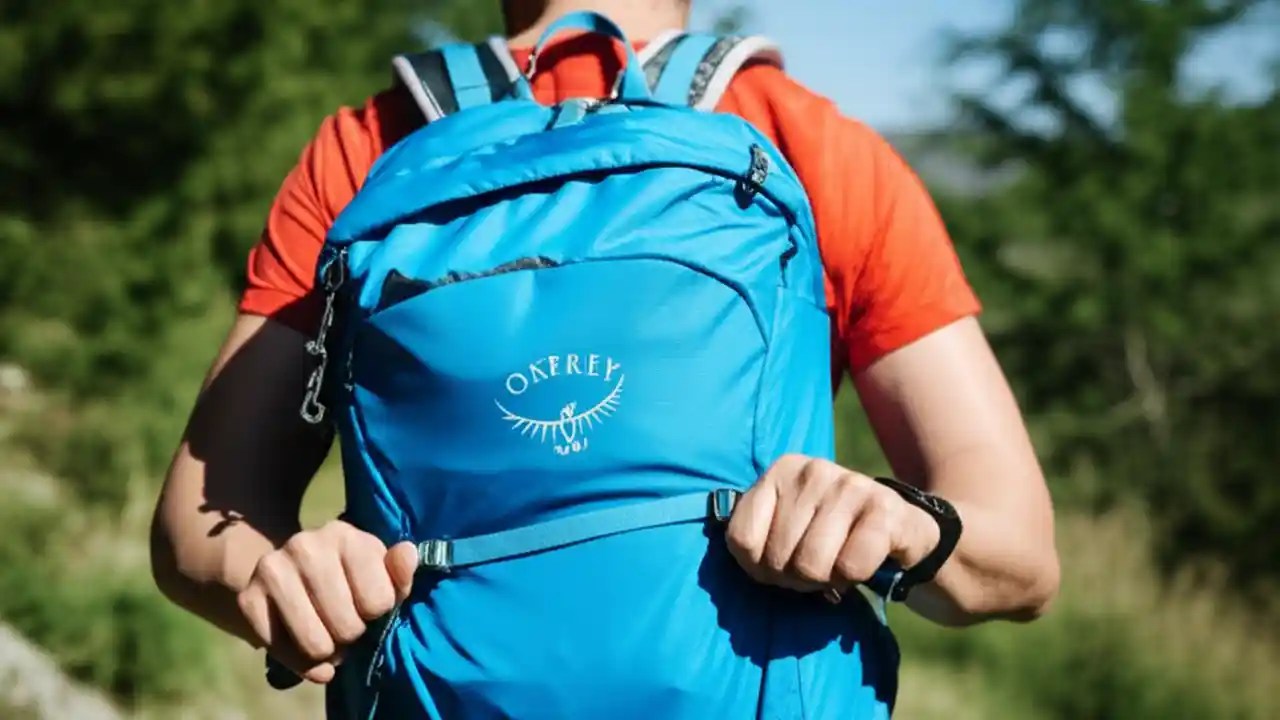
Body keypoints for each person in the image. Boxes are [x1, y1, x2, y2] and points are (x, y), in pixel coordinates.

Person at [150, 1, 1060, 717]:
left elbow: (199, 527)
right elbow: (1017, 556)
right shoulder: (806, 144)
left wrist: (290, 591)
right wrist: (911, 530)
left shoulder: (374, 151)